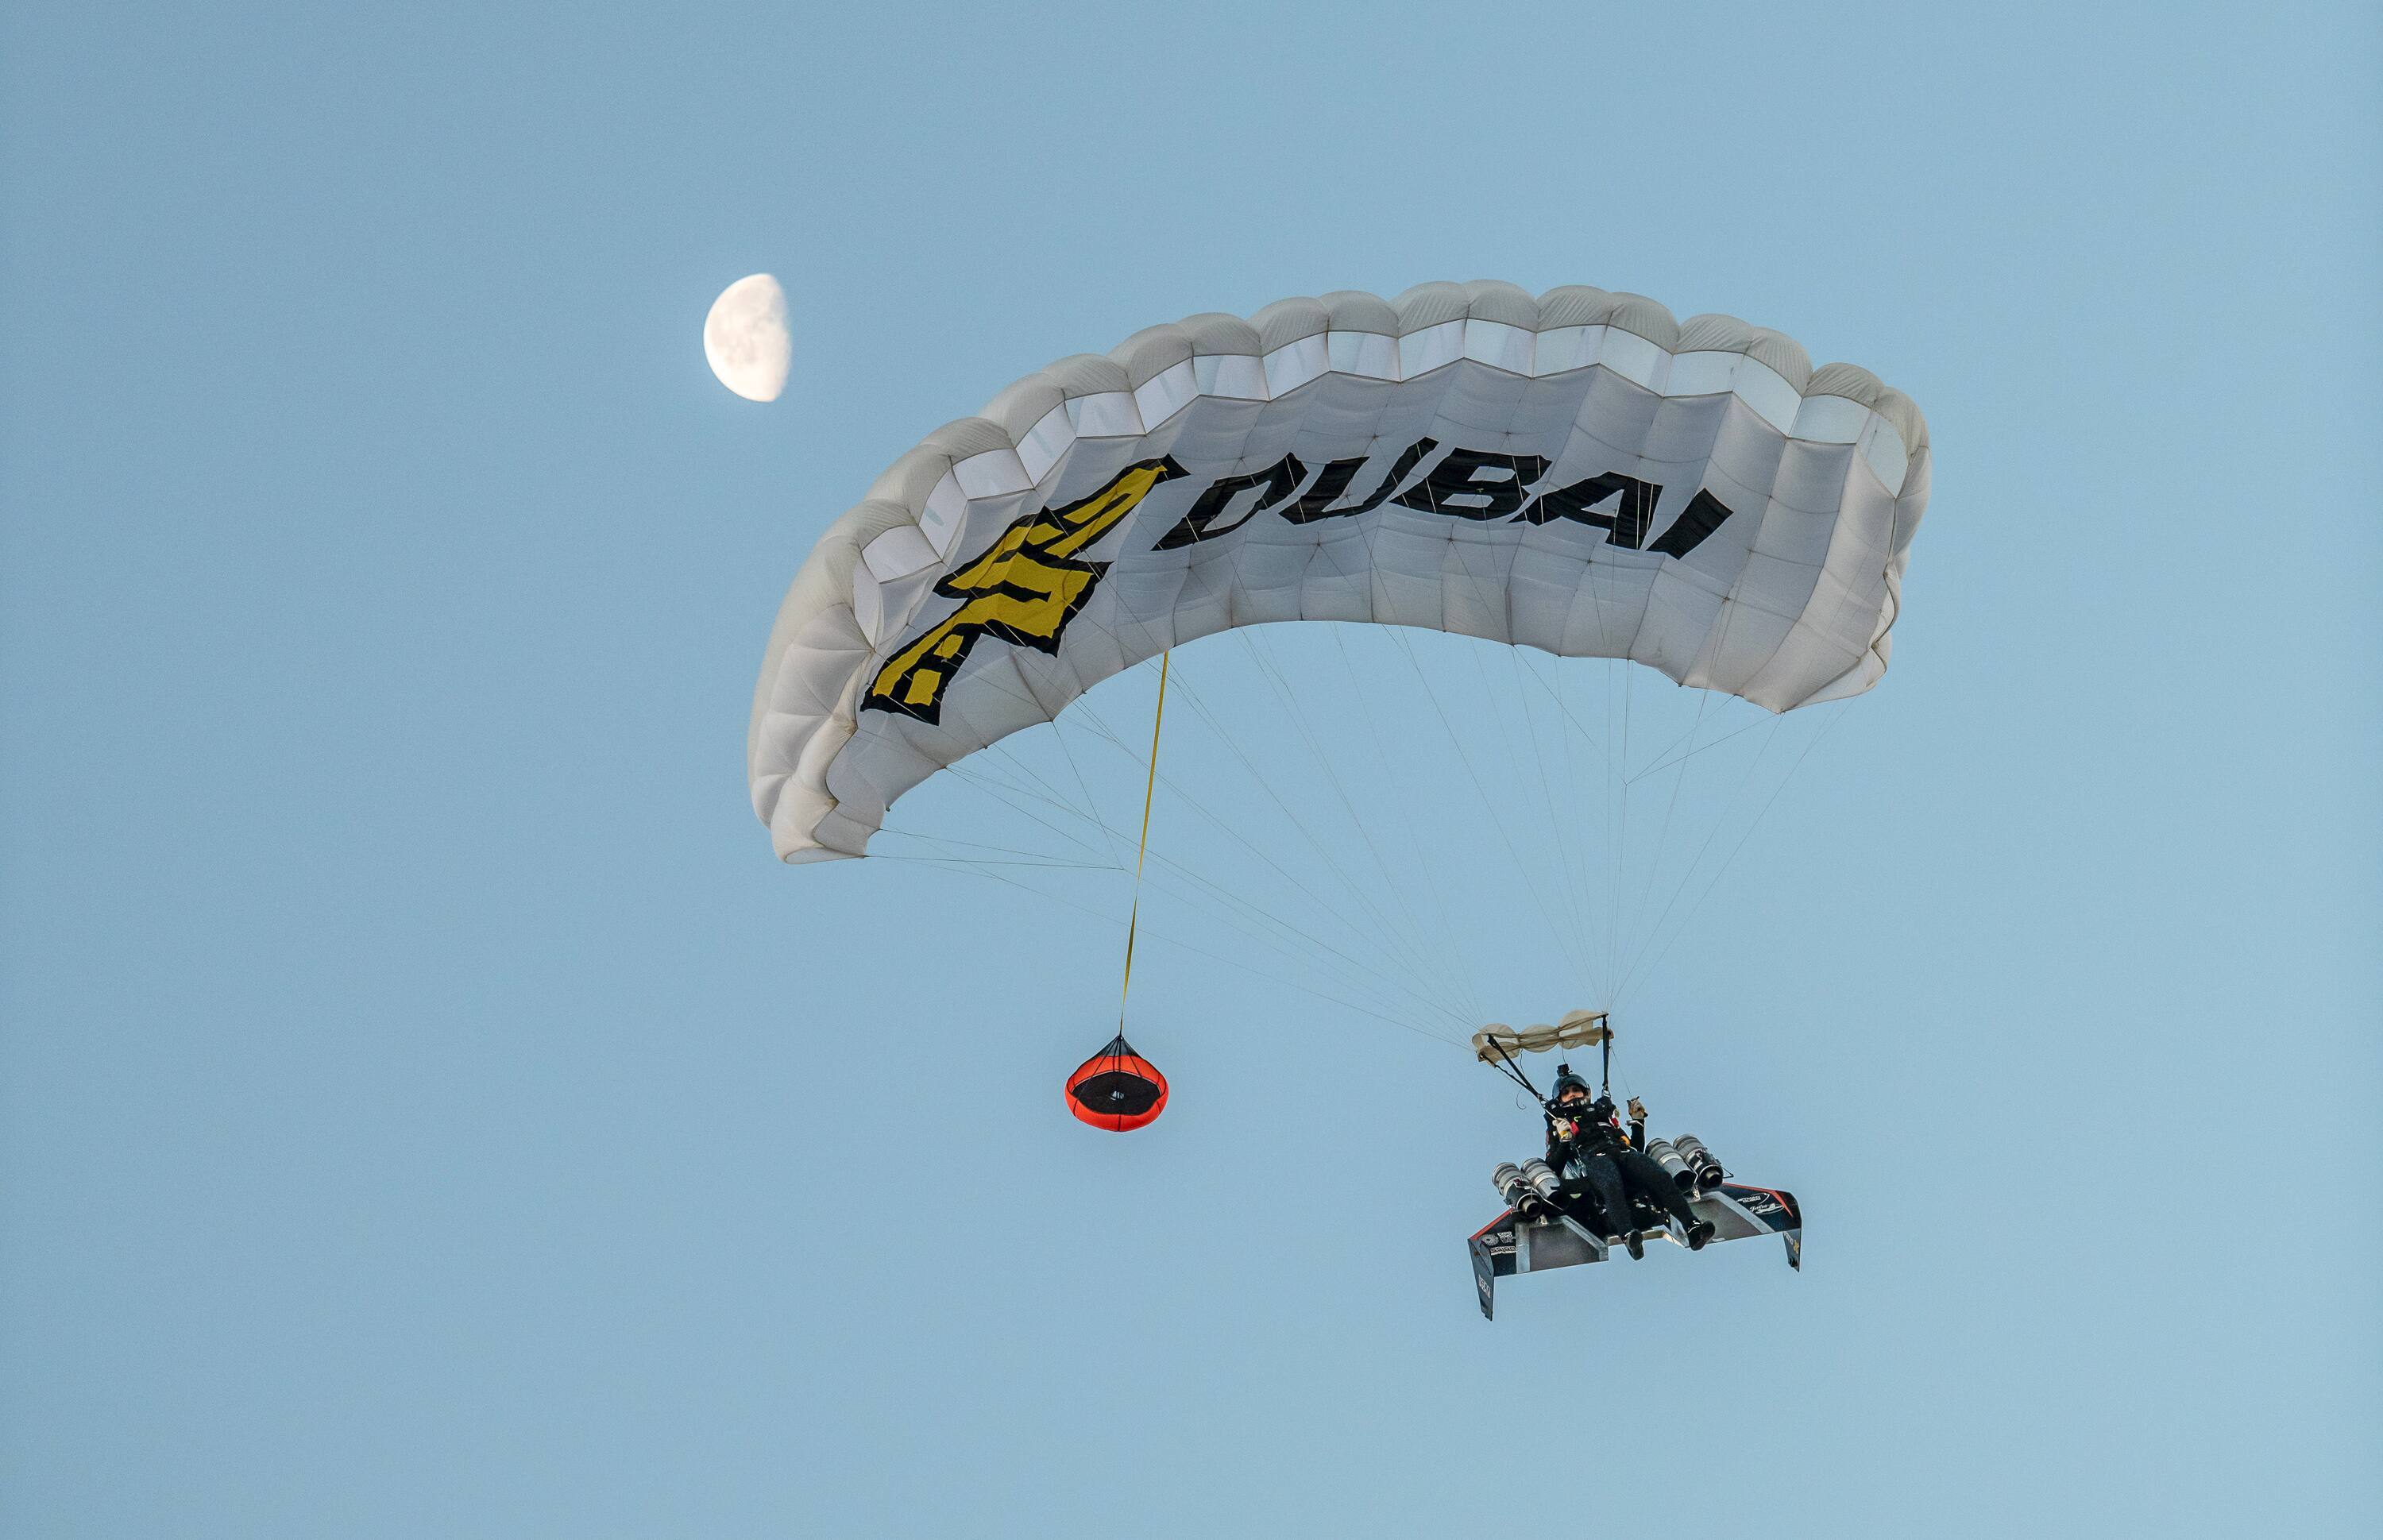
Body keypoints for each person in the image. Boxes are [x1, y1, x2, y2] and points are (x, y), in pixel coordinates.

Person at [1542, 1067, 1715, 1260]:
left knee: (1658, 1175)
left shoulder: (1603, 1116)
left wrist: (1638, 1122)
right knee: (1610, 1180)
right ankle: (1628, 1235)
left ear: (1586, 1092)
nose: (1572, 1095)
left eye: (1576, 1090)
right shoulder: (1557, 1125)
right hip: (1594, 1160)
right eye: (1566, 1093)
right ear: (1559, 1100)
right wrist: (1565, 1140)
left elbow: (1635, 1147)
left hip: (1622, 1153)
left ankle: (1692, 1227)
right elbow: (1554, 1165)